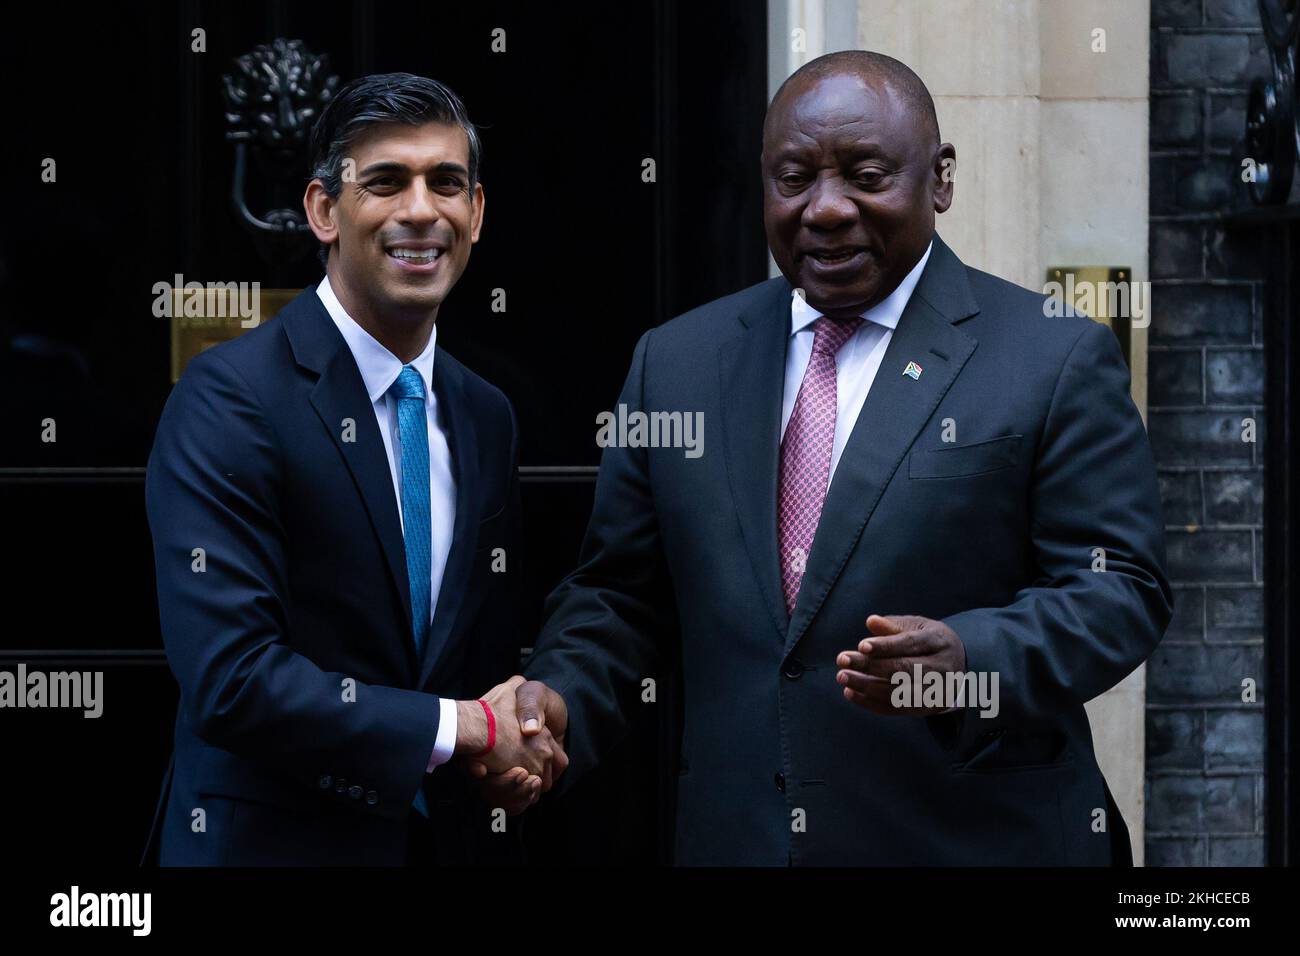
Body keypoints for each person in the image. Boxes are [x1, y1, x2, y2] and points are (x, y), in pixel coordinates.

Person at [485, 50, 1173, 865]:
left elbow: (1120, 590)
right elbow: (619, 594)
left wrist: (968, 658)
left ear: (940, 179)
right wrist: (559, 698)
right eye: (794, 179)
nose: (827, 208)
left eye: (866, 176)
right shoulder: (676, 363)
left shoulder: (1052, 355)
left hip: (971, 841)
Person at [142, 73, 563, 866]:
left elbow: (475, 652)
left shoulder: (487, 414)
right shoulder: (229, 397)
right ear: (323, 211)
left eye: (446, 183)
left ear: (476, 212)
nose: (421, 210)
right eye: (386, 182)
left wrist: (520, 724)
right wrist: (463, 726)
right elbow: (232, 678)